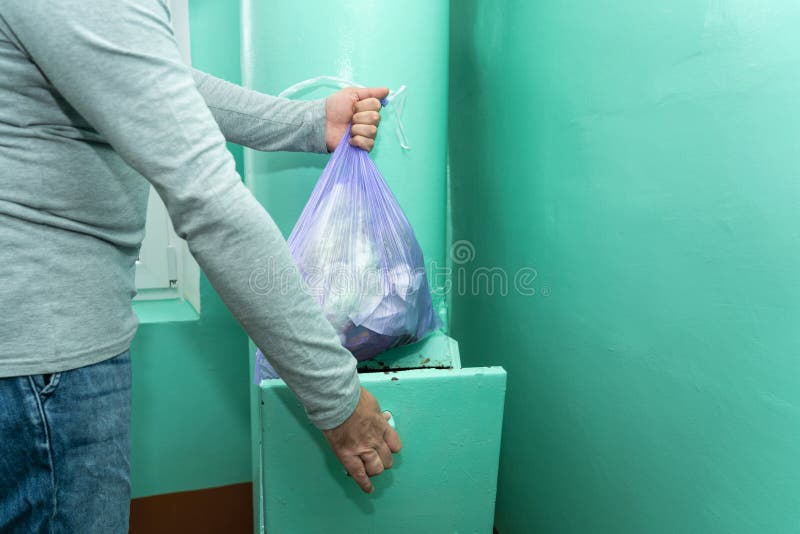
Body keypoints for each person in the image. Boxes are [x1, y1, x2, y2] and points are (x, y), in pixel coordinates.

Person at [0, 1, 401, 532]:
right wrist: (338, 398)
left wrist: (305, 122)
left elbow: (144, 74)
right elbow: (211, 205)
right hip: (41, 361)